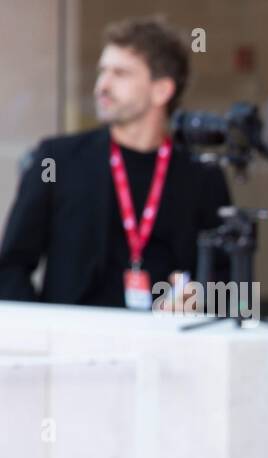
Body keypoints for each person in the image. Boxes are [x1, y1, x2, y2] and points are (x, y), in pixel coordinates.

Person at [0, 16, 230, 308]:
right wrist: (48, 333)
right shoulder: (57, 160)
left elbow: (232, 286)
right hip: (77, 345)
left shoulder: (201, 174)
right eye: (102, 72)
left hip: (168, 345)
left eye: (120, 73)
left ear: (161, 90)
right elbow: (11, 268)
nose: (102, 86)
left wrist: (203, 299)